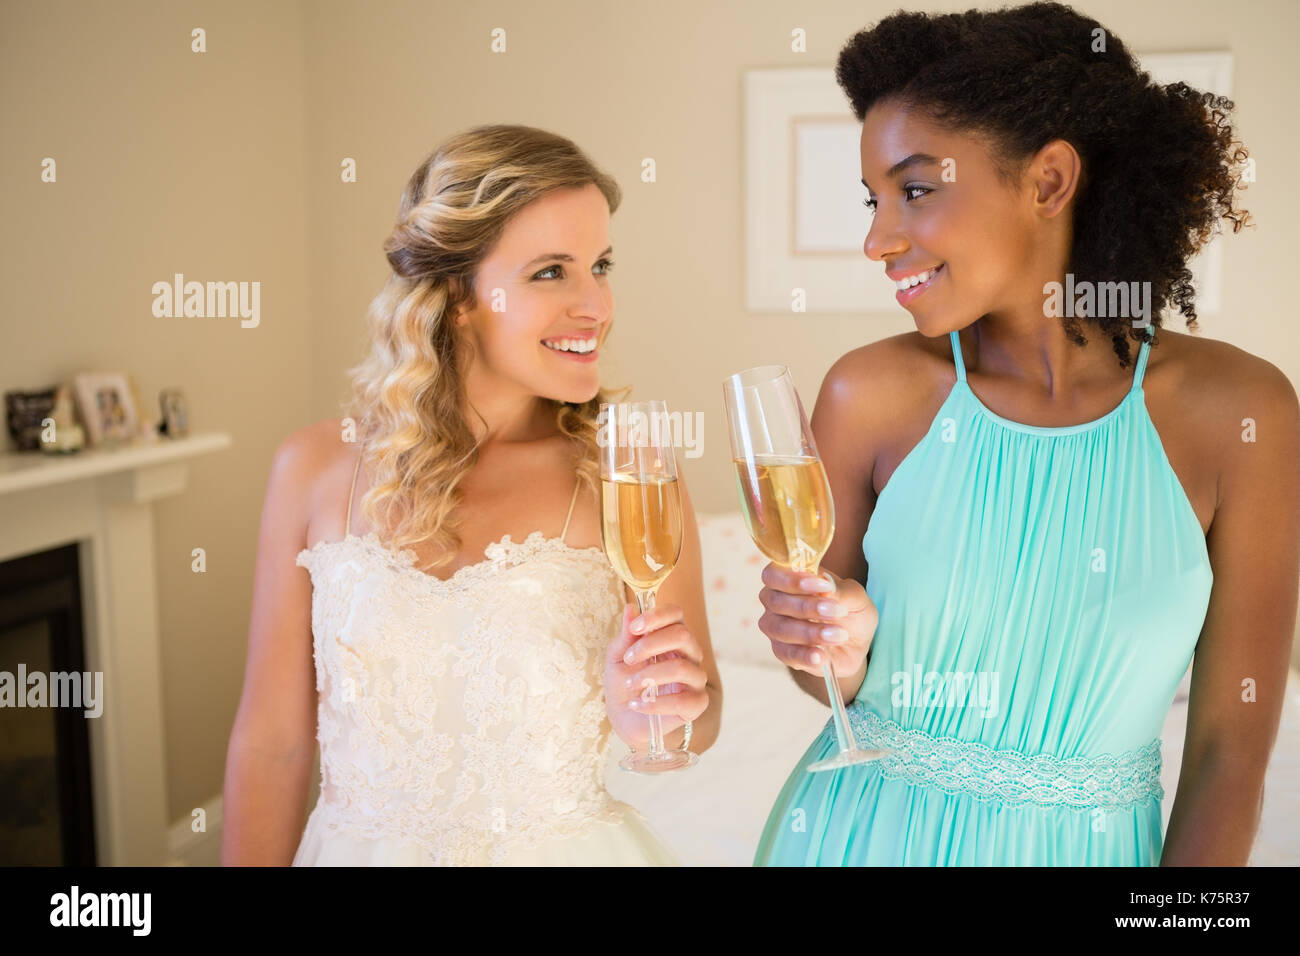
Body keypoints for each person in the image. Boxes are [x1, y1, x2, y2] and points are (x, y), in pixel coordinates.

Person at [754, 2, 1297, 866]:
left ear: (1047, 182)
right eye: (874, 199)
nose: (876, 238)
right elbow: (826, 680)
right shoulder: (871, 393)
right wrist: (837, 651)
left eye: (916, 190)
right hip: (857, 837)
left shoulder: (1243, 413)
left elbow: (1231, 747)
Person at [223, 124, 721, 866]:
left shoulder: (630, 474)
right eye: (551, 272)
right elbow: (273, 743)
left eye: (600, 265)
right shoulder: (314, 467)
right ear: (459, 297)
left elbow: (697, 711)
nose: (596, 304)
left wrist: (660, 711)